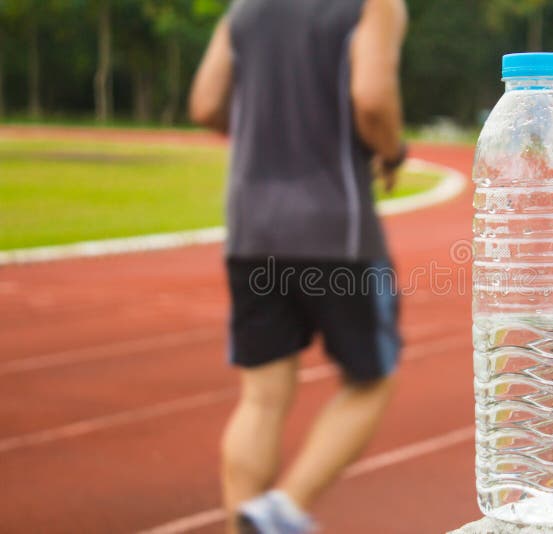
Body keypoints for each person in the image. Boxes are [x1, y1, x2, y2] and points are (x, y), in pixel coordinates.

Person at [188, 0, 408, 532]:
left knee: (261, 399)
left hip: (251, 227)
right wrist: (393, 151)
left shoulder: (245, 8)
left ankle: (247, 525)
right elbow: (372, 99)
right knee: (370, 380)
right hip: (336, 228)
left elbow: (206, 104)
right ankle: (286, 508)